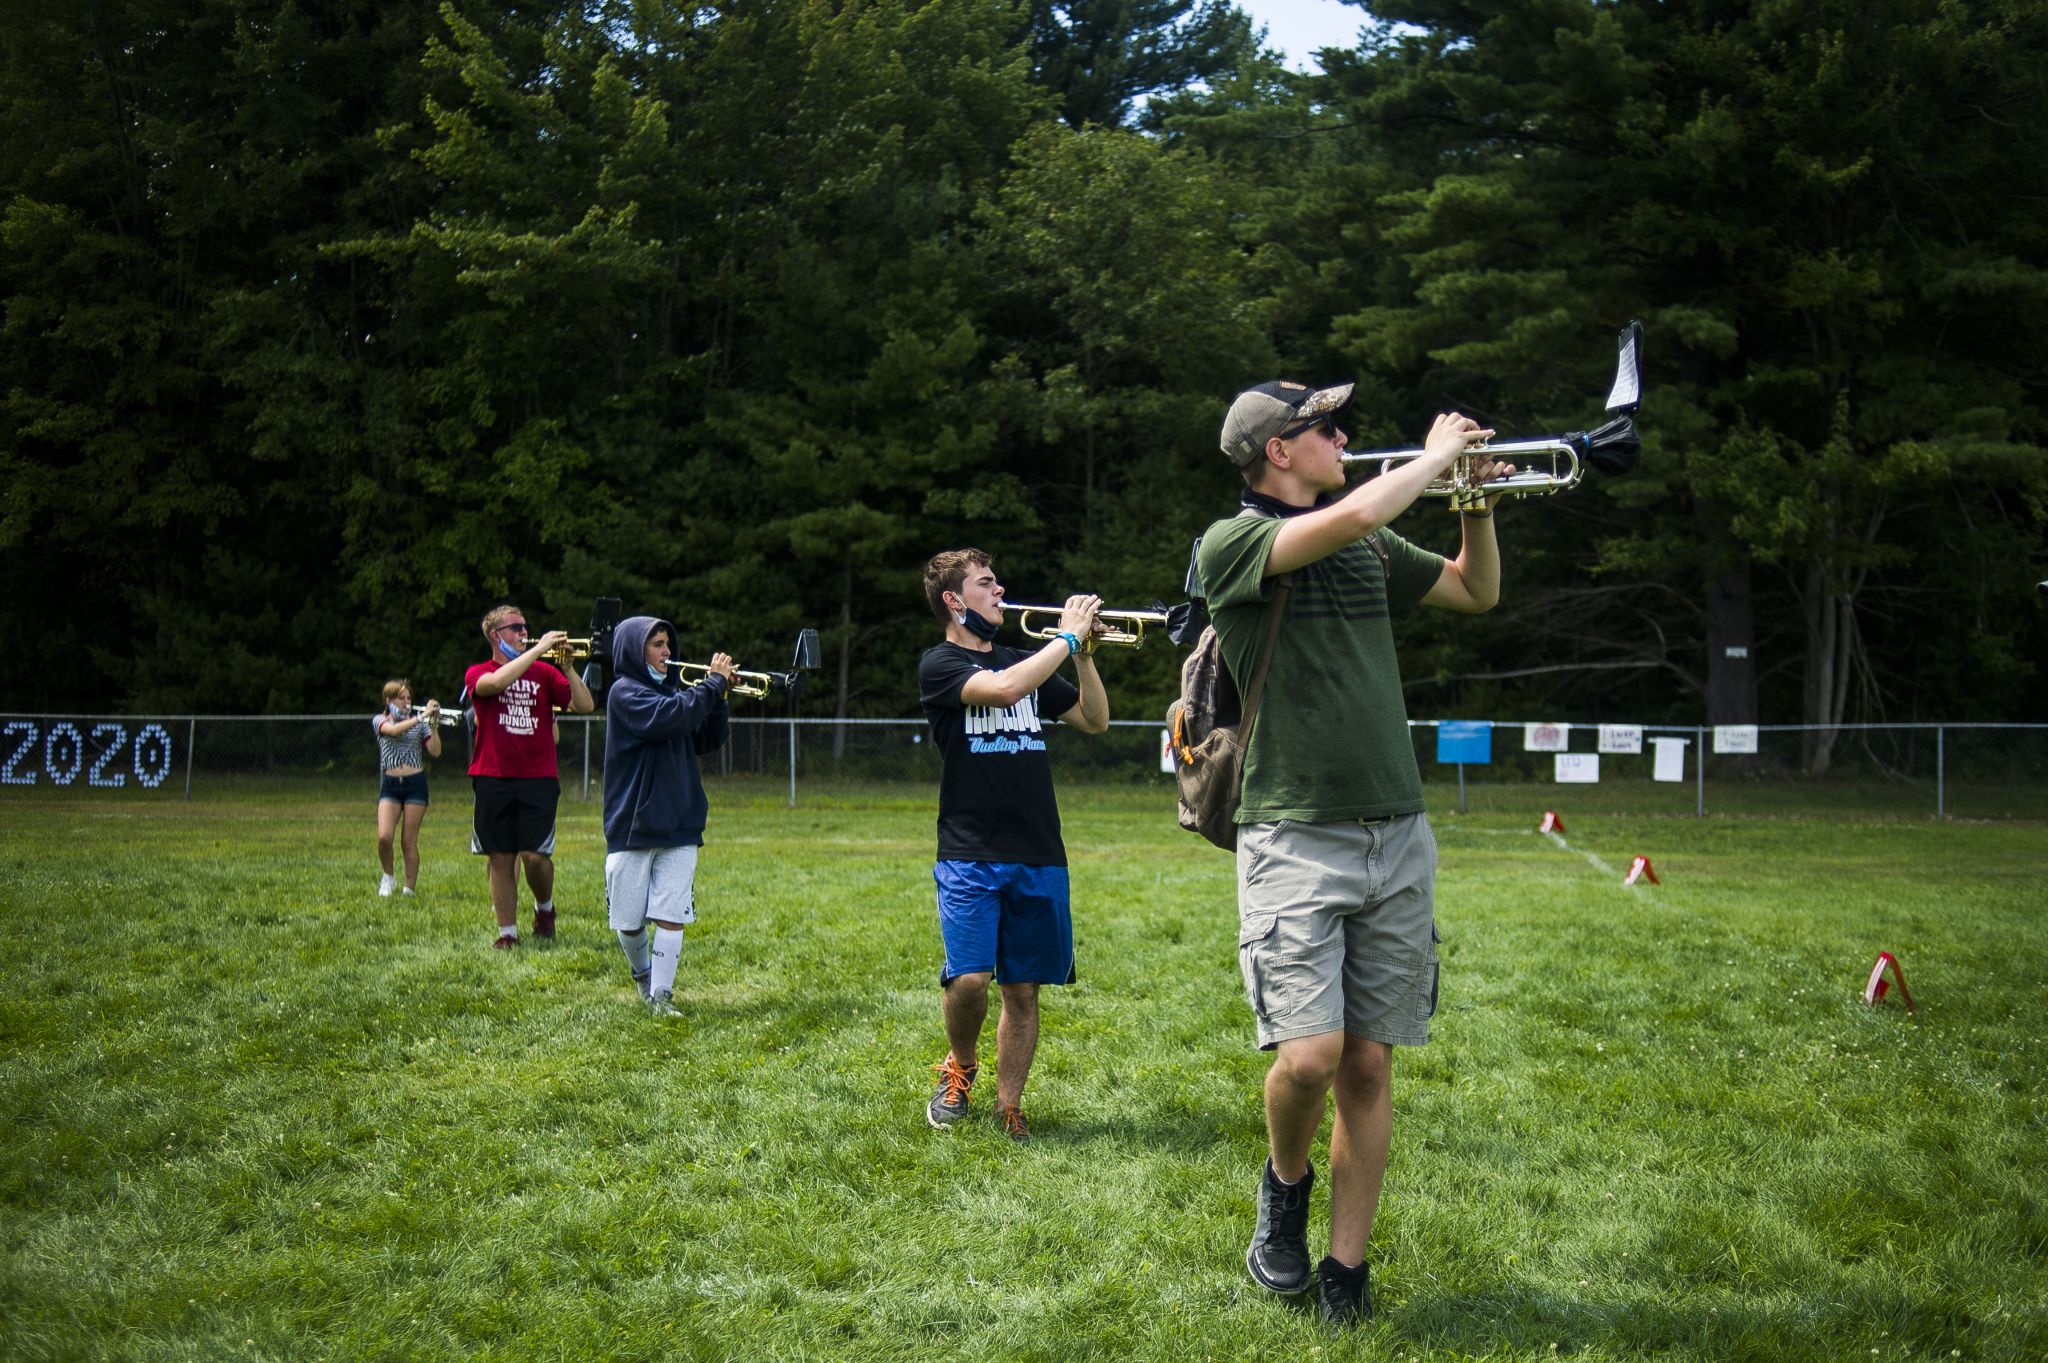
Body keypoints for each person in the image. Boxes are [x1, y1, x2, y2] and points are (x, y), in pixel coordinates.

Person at [1195, 380, 1508, 1326]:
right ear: (1278, 452)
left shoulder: (1369, 537)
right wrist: (1435, 456)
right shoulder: (1232, 542)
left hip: (1397, 828)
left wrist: (1477, 503)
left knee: (1369, 1064)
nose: (1343, 438)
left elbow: (1474, 589)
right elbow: (1363, 505)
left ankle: (1345, 1275)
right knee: (1309, 1057)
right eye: (1324, 428)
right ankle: (1283, 1184)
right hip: (1293, 830)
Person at [916, 549, 1110, 1143]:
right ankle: (961, 1067)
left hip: (1037, 849)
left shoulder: (1023, 660)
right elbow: (1001, 692)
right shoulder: (941, 665)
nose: (1001, 590)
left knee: (1023, 989)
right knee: (971, 979)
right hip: (969, 848)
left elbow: (1095, 720)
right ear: (955, 600)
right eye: (986, 583)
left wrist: (1087, 659)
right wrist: (1068, 641)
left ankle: (1009, 1106)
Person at [601, 615, 735, 1016]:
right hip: (633, 823)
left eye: (667, 643)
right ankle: (642, 974)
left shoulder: (678, 693)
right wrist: (712, 684)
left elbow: (707, 738)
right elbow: (670, 717)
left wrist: (720, 699)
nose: (667, 652)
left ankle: (661, 995)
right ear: (633, 650)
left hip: (681, 819)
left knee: (671, 912)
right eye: (656, 644)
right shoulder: (625, 694)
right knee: (628, 921)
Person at [466, 604, 594, 948]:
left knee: (534, 856)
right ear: (496, 636)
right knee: (500, 857)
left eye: (526, 626)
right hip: (492, 776)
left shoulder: (544, 673)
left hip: (538, 777)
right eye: (515, 628)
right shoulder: (479, 671)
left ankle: (544, 908)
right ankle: (507, 933)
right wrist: (538, 649)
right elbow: (494, 684)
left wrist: (566, 668)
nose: (524, 632)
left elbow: (585, 705)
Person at [373, 680, 442, 896]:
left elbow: (435, 751)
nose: (406, 702)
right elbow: (393, 731)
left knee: (408, 841)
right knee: (384, 836)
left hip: (415, 785)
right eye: (401, 698)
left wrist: (432, 723)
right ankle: (388, 877)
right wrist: (421, 717)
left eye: (408, 698)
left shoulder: (420, 723)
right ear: (389, 700)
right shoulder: (380, 720)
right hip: (391, 785)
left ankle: (408, 889)